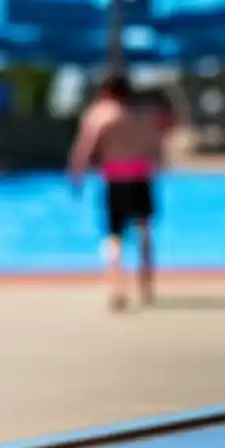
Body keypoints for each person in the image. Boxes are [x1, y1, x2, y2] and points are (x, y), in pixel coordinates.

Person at [69, 74, 160, 312]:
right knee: (144, 229)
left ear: (106, 92)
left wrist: (77, 177)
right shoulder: (141, 117)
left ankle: (118, 286)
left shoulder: (99, 115)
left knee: (113, 235)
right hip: (140, 175)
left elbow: (85, 149)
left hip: (115, 177)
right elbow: (155, 151)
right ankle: (146, 283)